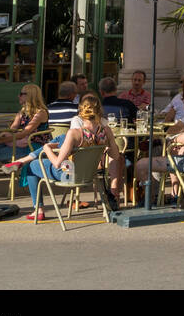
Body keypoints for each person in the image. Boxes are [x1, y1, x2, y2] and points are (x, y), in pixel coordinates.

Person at [10, 93, 123, 221]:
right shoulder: (106, 130)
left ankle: (38, 209)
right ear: (99, 110)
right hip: (90, 175)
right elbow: (115, 155)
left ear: (81, 111)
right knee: (55, 148)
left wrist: (47, 149)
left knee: (31, 166)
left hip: (69, 175)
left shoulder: (74, 133)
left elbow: (58, 164)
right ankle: (38, 208)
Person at [0, 84, 49, 192]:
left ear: (30, 96)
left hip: (31, 148)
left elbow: (24, 133)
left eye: (21, 94)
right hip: (18, 144)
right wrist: (2, 135)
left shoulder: (41, 113)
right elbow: (12, 129)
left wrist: (0, 140)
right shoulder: (22, 112)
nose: (18, 96)